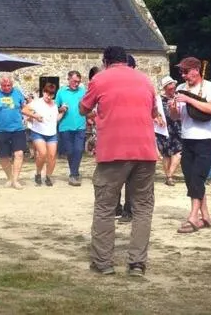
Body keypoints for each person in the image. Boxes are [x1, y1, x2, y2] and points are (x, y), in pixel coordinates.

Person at [81, 46, 158, 277]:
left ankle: (103, 262)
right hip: (145, 151)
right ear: (126, 60)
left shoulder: (100, 79)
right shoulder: (145, 80)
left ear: (105, 62)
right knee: (142, 208)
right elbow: (153, 113)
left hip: (113, 151)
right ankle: (137, 263)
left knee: (105, 207)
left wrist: (100, 113)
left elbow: (83, 108)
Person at [169, 56, 211, 234]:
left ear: (196, 70)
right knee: (190, 178)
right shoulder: (180, 89)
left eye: (185, 71)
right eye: (181, 71)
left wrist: (189, 100)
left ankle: (193, 217)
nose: (183, 75)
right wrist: (173, 108)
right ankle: (205, 216)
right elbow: (176, 117)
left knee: (198, 177)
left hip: (206, 138)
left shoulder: (210, 86)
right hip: (187, 137)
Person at [23, 82, 60, 187]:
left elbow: (55, 119)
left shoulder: (55, 105)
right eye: (47, 93)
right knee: (42, 153)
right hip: (38, 132)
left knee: (52, 156)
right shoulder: (36, 103)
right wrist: (35, 116)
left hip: (52, 133)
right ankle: (38, 173)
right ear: (43, 92)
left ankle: (48, 176)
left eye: (51, 94)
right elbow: (24, 110)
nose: (48, 96)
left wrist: (63, 112)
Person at [56, 71, 88, 186]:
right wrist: (61, 109)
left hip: (80, 126)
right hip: (65, 127)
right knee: (70, 151)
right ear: (68, 79)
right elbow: (55, 108)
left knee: (79, 150)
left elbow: (88, 106)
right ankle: (74, 173)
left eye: (78, 82)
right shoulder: (61, 92)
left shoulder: (83, 92)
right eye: (74, 81)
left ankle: (73, 175)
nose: (76, 83)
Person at [156, 77, 182, 187]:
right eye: (170, 85)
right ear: (165, 87)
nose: (173, 87)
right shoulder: (158, 99)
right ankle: (168, 176)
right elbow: (153, 110)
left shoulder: (179, 97)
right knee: (166, 154)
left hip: (178, 127)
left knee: (179, 152)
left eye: (173, 84)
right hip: (164, 129)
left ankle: (170, 175)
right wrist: (157, 118)